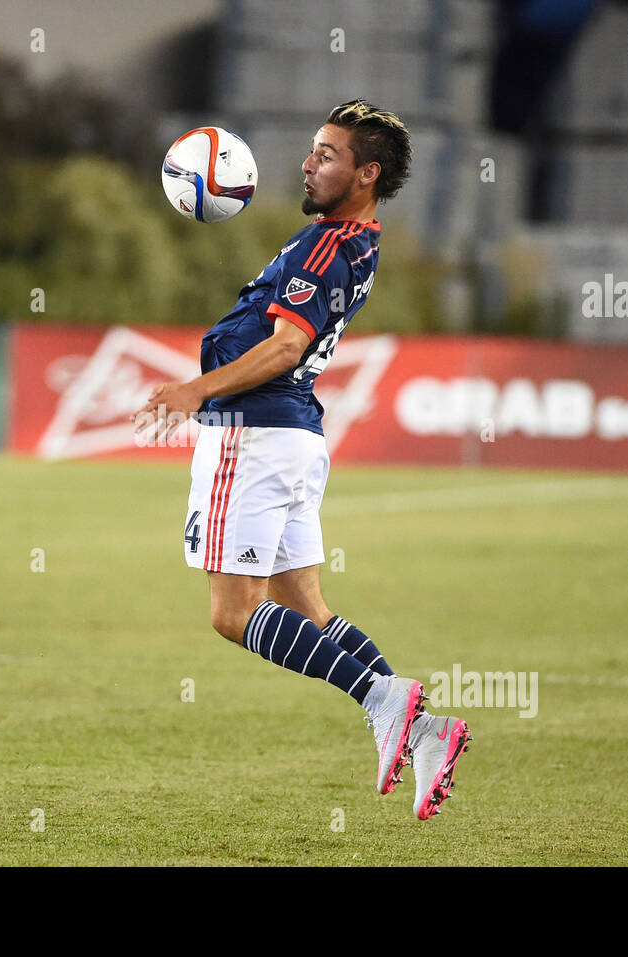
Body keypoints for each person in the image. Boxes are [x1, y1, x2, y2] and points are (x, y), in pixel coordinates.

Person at [133, 101, 471, 820]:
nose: (309, 163)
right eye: (312, 151)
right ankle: (427, 732)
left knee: (234, 615)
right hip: (291, 436)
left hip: (253, 433)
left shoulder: (326, 246)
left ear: (366, 172)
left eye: (326, 154)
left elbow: (286, 345)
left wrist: (196, 388)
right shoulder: (355, 241)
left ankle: (383, 698)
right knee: (306, 606)